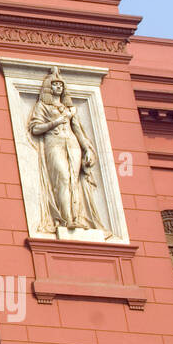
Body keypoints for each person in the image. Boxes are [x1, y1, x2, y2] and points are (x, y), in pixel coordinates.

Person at [26, 67, 105, 233]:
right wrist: (56, 121)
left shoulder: (70, 109)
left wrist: (87, 149)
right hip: (54, 143)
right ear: (49, 87)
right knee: (62, 178)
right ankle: (65, 219)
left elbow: (77, 130)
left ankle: (77, 218)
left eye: (60, 85)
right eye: (54, 84)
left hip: (72, 143)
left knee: (72, 179)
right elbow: (35, 129)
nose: (58, 87)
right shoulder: (42, 106)